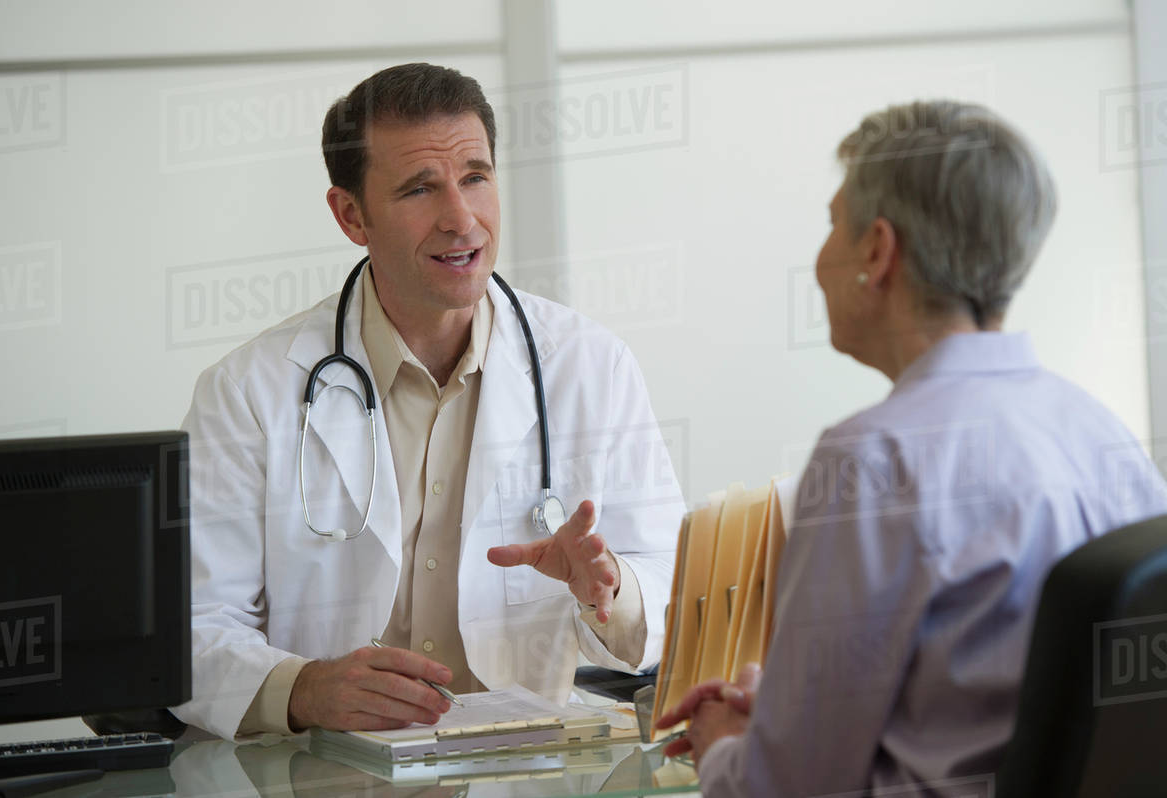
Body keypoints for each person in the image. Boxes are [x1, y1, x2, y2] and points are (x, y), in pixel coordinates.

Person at [657, 101, 1167, 795]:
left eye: (833, 224)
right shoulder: (1099, 430)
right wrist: (782, 710)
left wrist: (722, 745)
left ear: (878, 251)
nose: (820, 259)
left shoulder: (870, 461)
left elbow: (791, 788)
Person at [169, 63, 684, 741]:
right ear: (351, 215)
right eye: (420, 188)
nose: (461, 218)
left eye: (476, 176)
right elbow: (194, 630)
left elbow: (676, 589)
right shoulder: (248, 392)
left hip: (523, 772)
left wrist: (609, 590)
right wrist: (306, 689)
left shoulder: (591, 366)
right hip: (331, 777)